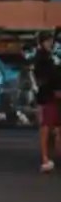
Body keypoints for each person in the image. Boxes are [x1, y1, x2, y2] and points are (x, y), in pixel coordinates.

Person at [33, 31, 59, 172]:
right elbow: (44, 79)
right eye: (48, 41)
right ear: (42, 42)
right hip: (46, 97)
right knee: (46, 128)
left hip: (51, 97)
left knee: (52, 128)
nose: (50, 43)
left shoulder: (49, 57)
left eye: (51, 41)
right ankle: (45, 158)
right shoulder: (42, 58)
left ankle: (49, 156)